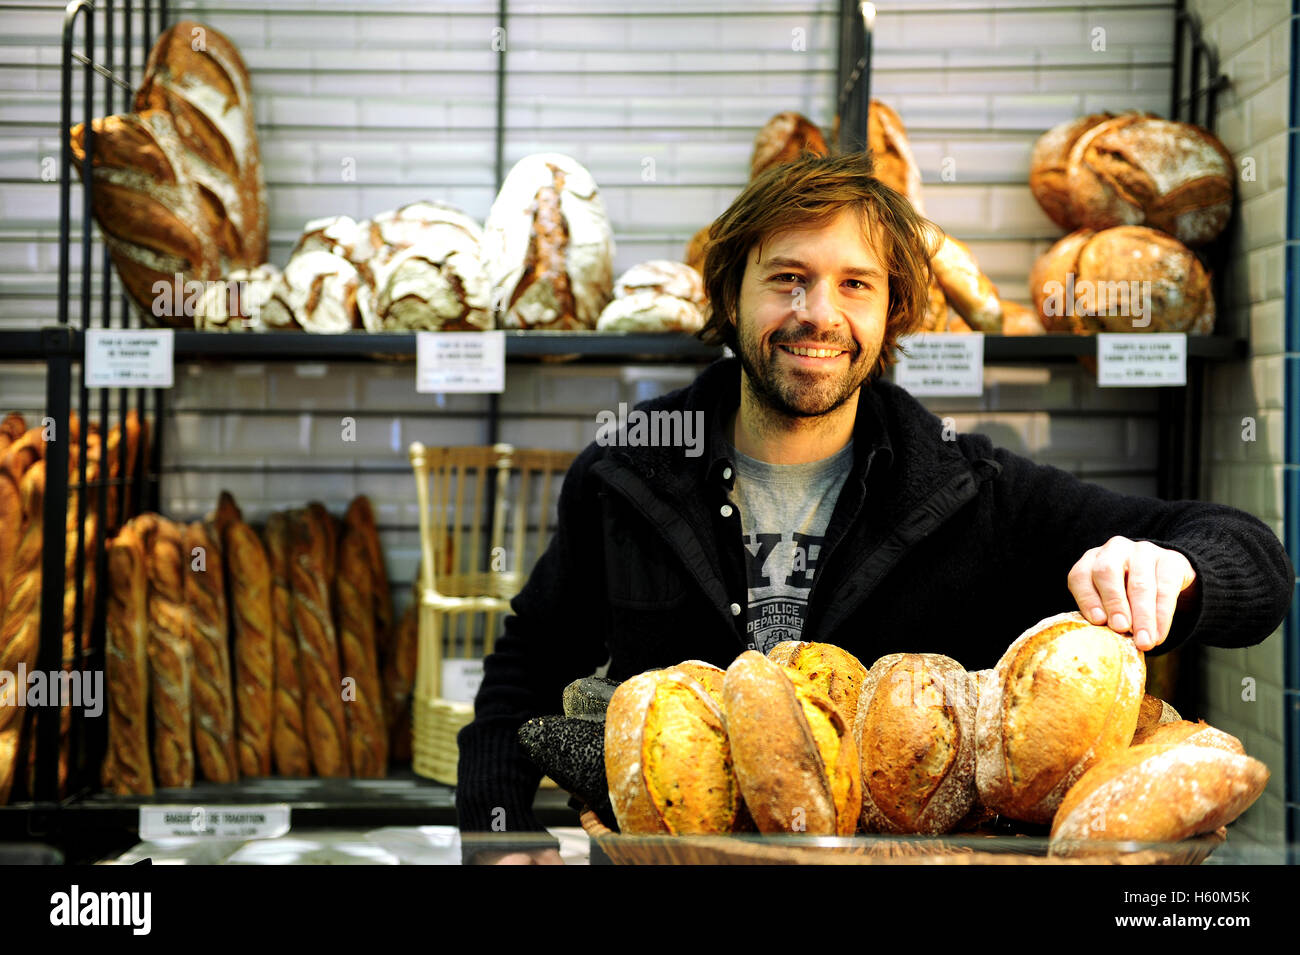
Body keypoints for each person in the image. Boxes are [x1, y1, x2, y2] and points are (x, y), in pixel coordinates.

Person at [456, 151, 1294, 864]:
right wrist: (497, 829)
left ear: (891, 311)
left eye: (853, 284)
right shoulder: (629, 472)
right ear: (732, 294)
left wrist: (1175, 568)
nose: (817, 313)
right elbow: (528, 665)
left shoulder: (969, 490)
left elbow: (1251, 556)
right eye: (787, 278)